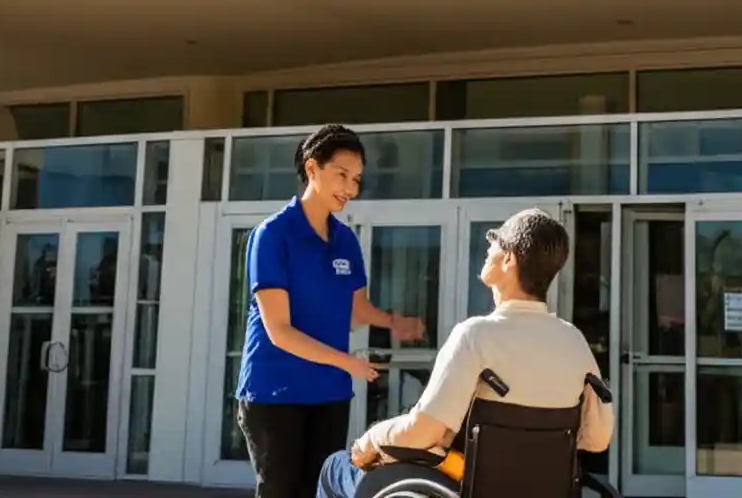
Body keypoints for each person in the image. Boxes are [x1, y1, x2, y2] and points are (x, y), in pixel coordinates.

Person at [316, 208, 615, 498]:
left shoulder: (475, 336)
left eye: (495, 240)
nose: (488, 245)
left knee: (335, 467)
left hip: (462, 485)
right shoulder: (574, 342)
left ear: (509, 259)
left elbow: (424, 432)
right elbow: (598, 439)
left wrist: (370, 440)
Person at [235, 124, 426, 498]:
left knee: (323, 492)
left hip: (329, 394)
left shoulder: (346, 240)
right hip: (275, 394)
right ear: (312, 169)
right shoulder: (272, 235)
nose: (350, 189)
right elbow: (279, 330)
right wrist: (346, 362)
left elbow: (356, 308)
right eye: (342, 175)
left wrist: (392, 322)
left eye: (356, 180)